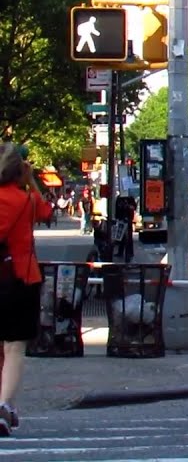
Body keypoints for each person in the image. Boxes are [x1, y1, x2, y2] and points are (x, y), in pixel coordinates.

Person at [0, 142, 54, 436]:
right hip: (21, 278)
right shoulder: (26, 200)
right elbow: (46, 211)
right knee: (14, 347)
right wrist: (31, 180)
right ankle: (5, 406)